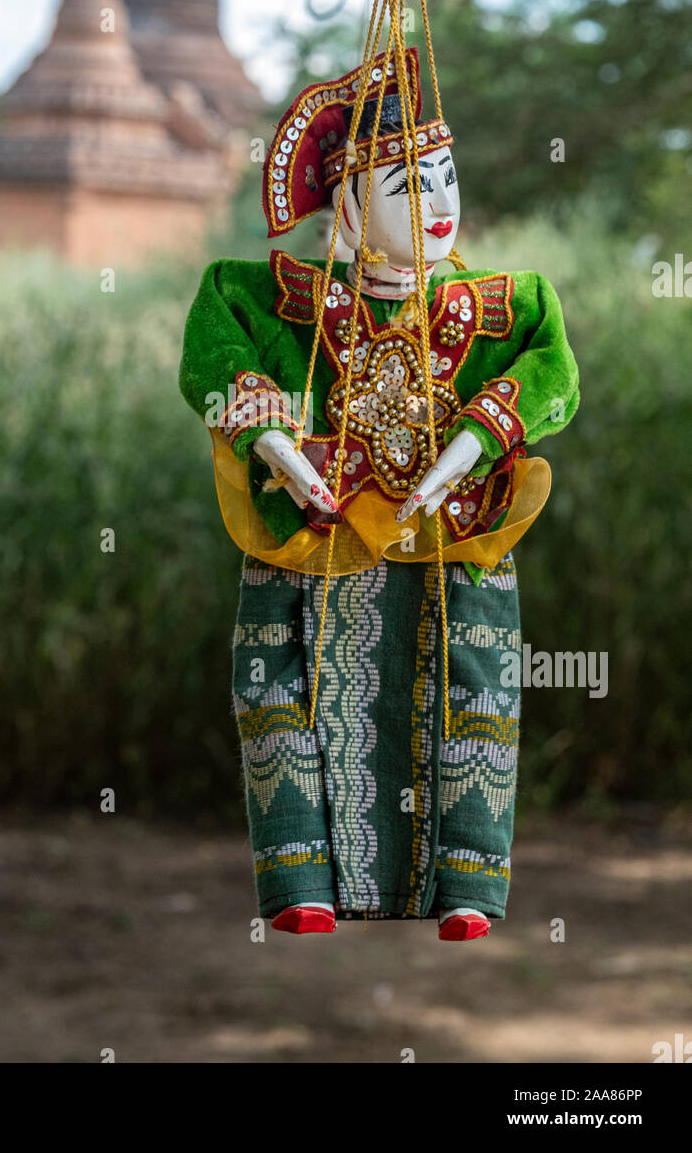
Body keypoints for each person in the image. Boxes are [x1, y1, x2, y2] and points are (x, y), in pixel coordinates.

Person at [179, 49, 579, 940]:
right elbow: (211, 349)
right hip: (315, 543)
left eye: (445, 178)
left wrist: (477, 438)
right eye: (409, 188)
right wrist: (270, 437)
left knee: (465, 688)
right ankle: (299, 878)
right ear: (352, 208)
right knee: (290, 689)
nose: (440, 206)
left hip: (450, 540)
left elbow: (555, 371)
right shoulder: (277, 303)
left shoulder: (499, 308)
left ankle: (467, 883)